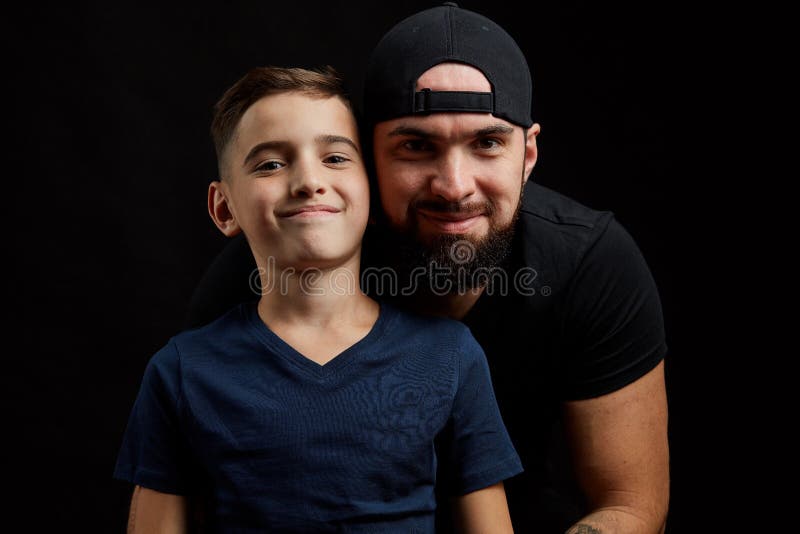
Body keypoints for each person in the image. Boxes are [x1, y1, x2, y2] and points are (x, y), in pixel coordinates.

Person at [185, 4, 670, 534]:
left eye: (487, 143)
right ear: (368, 156)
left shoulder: (589, 264)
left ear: (527, 155)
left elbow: (629, 504)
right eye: (416, 146)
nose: (454, 186)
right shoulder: (263, 276)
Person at [114, 65, 524, 533]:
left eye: (335, 158)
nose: (309, 180)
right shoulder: (182, 372)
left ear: (370, 192)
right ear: (224, 208)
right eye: (270, 163)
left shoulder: (450, 357)